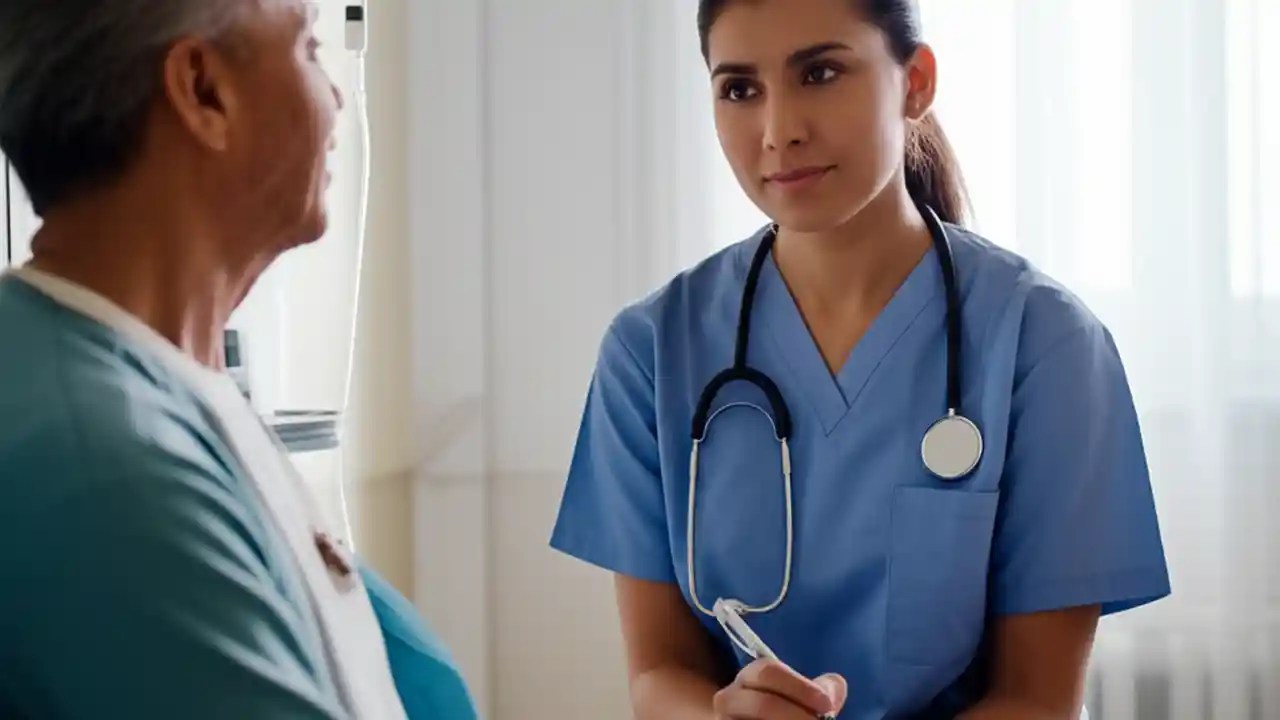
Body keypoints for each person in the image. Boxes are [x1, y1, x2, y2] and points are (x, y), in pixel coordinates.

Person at [549, 0, 1171, 717]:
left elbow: (1035, 700)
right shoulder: (652, 351)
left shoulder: (1045, 344)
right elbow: (658, 673)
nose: (779, 132)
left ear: (916, 83)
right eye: (740, 89)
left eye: (820, 72)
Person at [0, 1, 474, 717]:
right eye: (310, 49)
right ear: (203, 89)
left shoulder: (154, 383)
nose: (337, 95)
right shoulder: (105, 468)